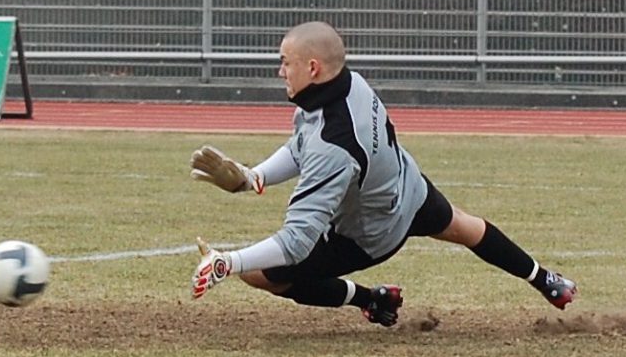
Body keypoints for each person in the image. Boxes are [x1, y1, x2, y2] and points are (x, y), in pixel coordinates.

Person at [189, 20, 576, 325]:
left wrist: (230, 263)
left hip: (372, 232)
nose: (280, 71)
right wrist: (251, 177)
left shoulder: (334, 145)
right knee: (465, 227)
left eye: (285, 62)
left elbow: (296, 241)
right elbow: (300, 145)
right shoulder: (349, 84)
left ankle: (371, 299)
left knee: (262, 274)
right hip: (406, 184)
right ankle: (547, 280)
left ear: (312, 67)